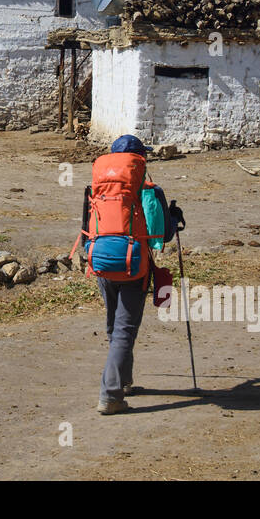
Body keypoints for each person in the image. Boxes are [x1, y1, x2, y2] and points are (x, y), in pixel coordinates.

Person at [82, 135, 178, 415]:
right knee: (125, 330)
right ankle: (110, 395)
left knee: (115, 326)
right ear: (139, 161)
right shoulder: (148, 189)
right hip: (133, 266)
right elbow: (161, 235)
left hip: (101, 261)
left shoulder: (97, 188)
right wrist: (174, 217)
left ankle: (123, 382)